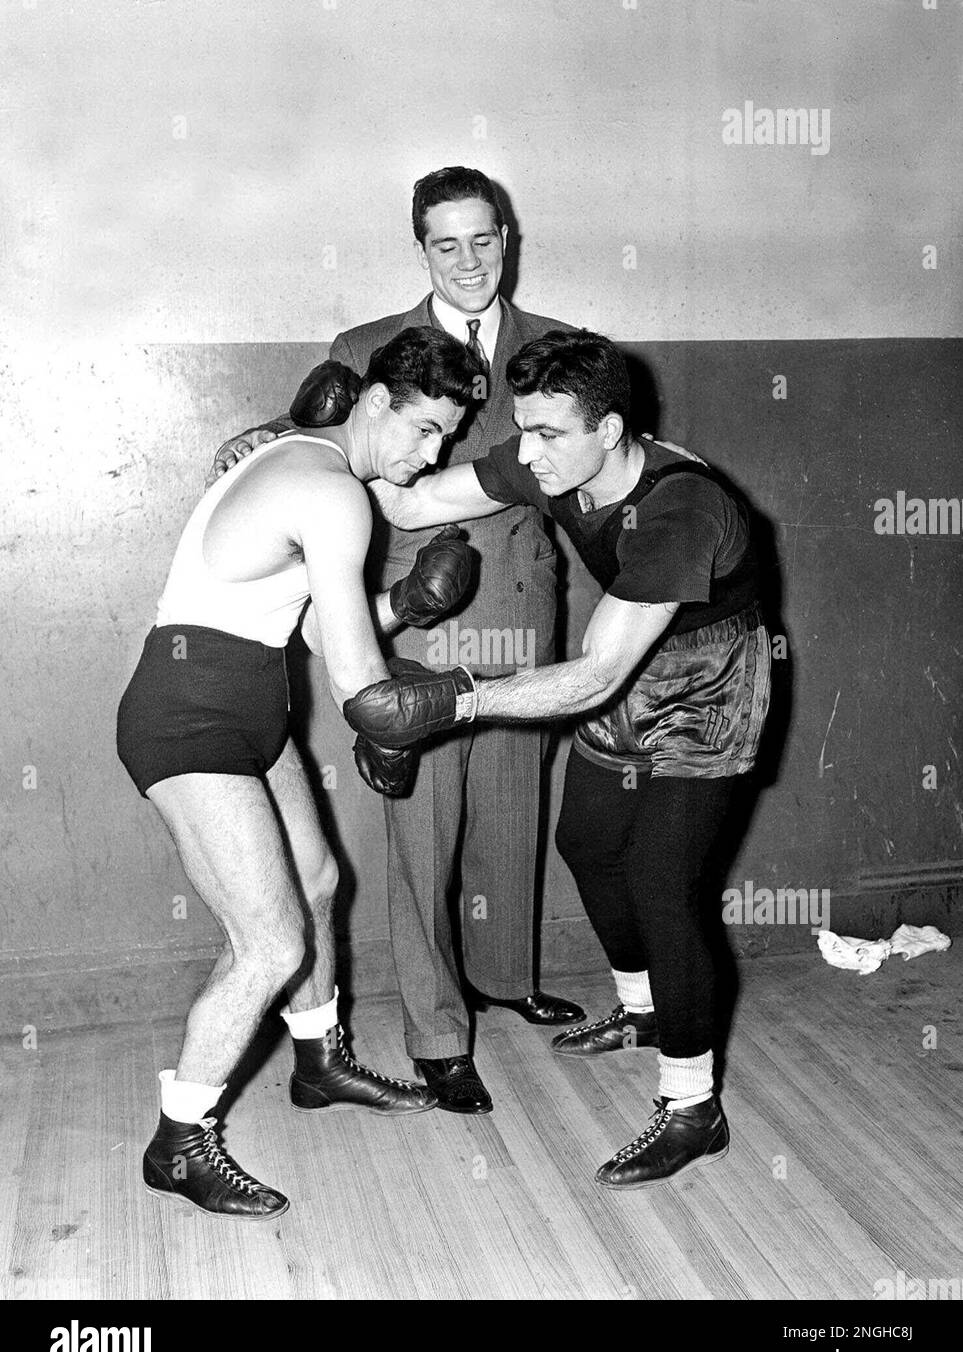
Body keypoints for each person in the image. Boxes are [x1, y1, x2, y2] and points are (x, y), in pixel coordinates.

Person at [343, 330, 772, 1189]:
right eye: (523, 429)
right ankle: (645, 1013)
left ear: (607, 431)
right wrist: (304, 439)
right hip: (622, 667)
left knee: (661, 882)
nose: (524, 453)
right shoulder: (546, 458)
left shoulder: (679, 509)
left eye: (546, 434)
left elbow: (596, 675)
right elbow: (411, 502)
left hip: (708, 680)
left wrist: (449, 700)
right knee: (585, 841)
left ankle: (694, 1108)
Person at [213, 168, 583, 1116]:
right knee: (422, 820)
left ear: (509, 236)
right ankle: (435, 1030)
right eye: (444, 243)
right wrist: (250, 438)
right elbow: (312, 448)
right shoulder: (363, 347)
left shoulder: (562, 349)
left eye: (482, 239)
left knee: (510, 797)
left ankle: (504, 974)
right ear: (420, 248)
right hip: (404, 601)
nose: (467, 260)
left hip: (519, 598)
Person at [116, 328, 478, 1220]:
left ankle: (317, 1062)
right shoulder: (332, 493)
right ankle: (180, 1141)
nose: (428, 455)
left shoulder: (307, 462)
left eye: (445, 438)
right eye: (423, 429)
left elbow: (317, 630)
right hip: (189, 713)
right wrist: (458, 701)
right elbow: (357, 679)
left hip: (248, 699)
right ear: (375, 401)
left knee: (317, 882)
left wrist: (413, 603)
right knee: (268, 944)